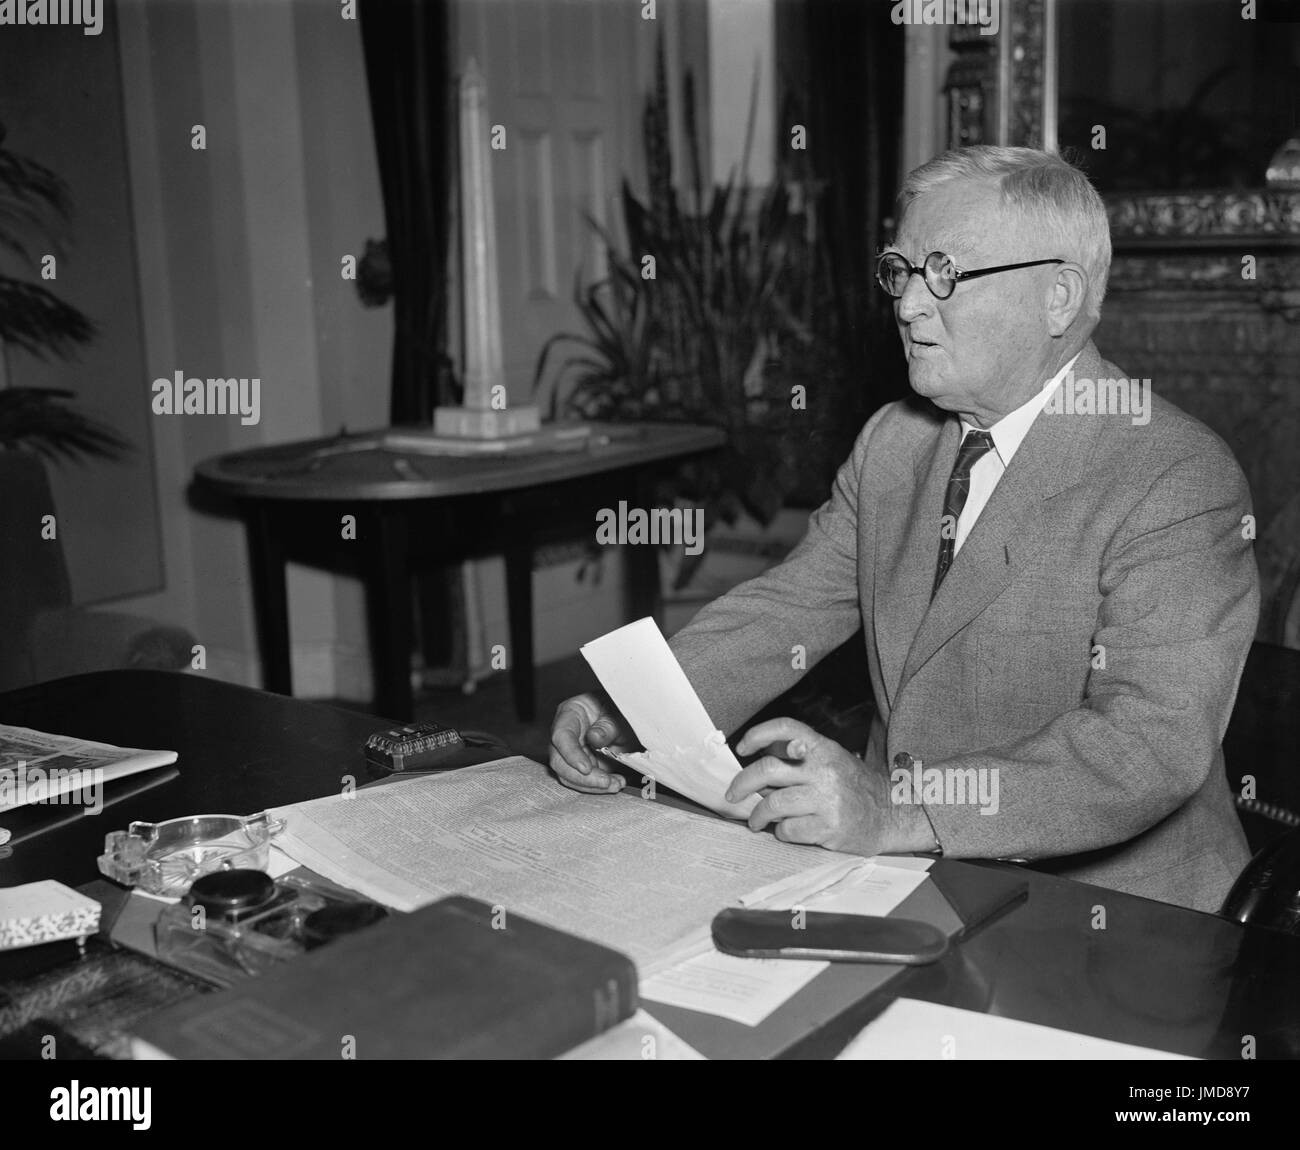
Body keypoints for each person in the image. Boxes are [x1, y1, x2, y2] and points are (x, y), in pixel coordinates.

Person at [550, 146, 1258, 914]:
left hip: (1113, 918)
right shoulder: (896, 440)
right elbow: (787, 608)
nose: (910, 304)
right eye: (901, 269)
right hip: (907, 880)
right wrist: (631, 713)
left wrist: (896, 810)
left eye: (945, 272)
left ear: (1059, 298)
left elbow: (1145, 744)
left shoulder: (1175, 474)